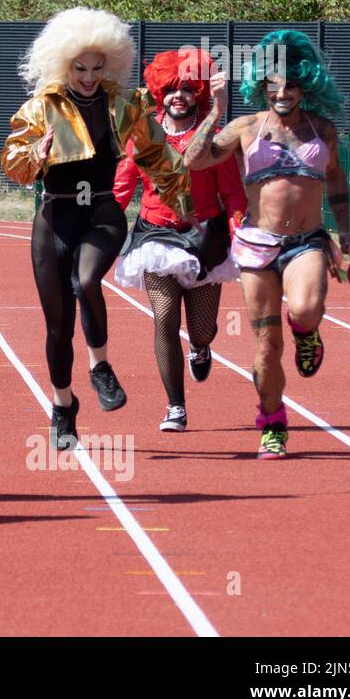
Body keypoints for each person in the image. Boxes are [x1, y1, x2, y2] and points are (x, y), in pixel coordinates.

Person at [3, 7, 193, 451]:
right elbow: (13, 166)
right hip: (55, 217)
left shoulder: (123, 105)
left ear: (111, 63)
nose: (89, 76)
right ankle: (63, 405)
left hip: (103, 211)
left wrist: (186, 205)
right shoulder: (40, 107)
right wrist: (37, 152)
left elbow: (158, 157)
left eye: (97, 67)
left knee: (86, 279)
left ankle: (101, 366)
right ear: (62, 65)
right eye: (80, 68)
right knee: (56, 327)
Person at [182, 29, 350, 459]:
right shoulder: (245, 127)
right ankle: (273, 423)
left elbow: (335, 180)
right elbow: (193, 159)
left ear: (304, 85)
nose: (281, 91)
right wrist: (215, 112)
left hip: (307, 242)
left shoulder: (323, 131)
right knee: (265, 346)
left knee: (306, 309)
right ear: (261, 85)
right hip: (257, 244)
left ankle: (307, 333)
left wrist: (348, 233)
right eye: (273, 83)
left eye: (291, 83)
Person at [113, 48, 247, 432]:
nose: (179, 96)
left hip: (205, 237)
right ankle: (175, 406)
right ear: (159, 92)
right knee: (165, 317)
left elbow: (233, 195)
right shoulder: (143, 136)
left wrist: (242, 235)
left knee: (201, 328)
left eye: (188, 89)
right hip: (155, 235)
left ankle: (201, 346)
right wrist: (98, 227)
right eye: (172, 89)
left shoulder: (215, 140)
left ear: (200, 94)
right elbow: (121, 189)